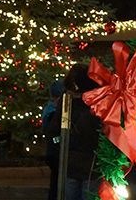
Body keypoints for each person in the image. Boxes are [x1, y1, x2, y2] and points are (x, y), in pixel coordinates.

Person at [47, 63, 101, 200]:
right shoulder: (98, 103)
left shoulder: (67, 102)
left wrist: (58, 144)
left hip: (70, 163)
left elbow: (54, 131)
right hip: (90, 165)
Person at [42, 80, 65, 200]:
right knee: (57, 183)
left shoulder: (48, 109)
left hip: (52, 152)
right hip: (56, 153)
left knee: (55, 182)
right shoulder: (53, 113)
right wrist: (61, 141)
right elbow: (54, 137)